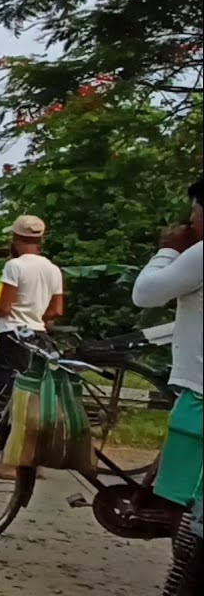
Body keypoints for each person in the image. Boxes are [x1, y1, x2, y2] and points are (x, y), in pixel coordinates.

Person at [132, 178, 203, 531]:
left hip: (200, 396)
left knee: (188, 516)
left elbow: (146, 294)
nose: (191, 221)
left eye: (195, 211)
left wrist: (169, 250)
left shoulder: (201, 254)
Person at [0, 214, 65, 407]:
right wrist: (35, 317)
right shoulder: (53, 269)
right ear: (40, 239)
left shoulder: (14, 265)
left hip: (12, 334)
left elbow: (5, 307)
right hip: (38, 336)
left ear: (16, 238)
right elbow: (57, 310)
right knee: (29, 388)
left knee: (2, 387)